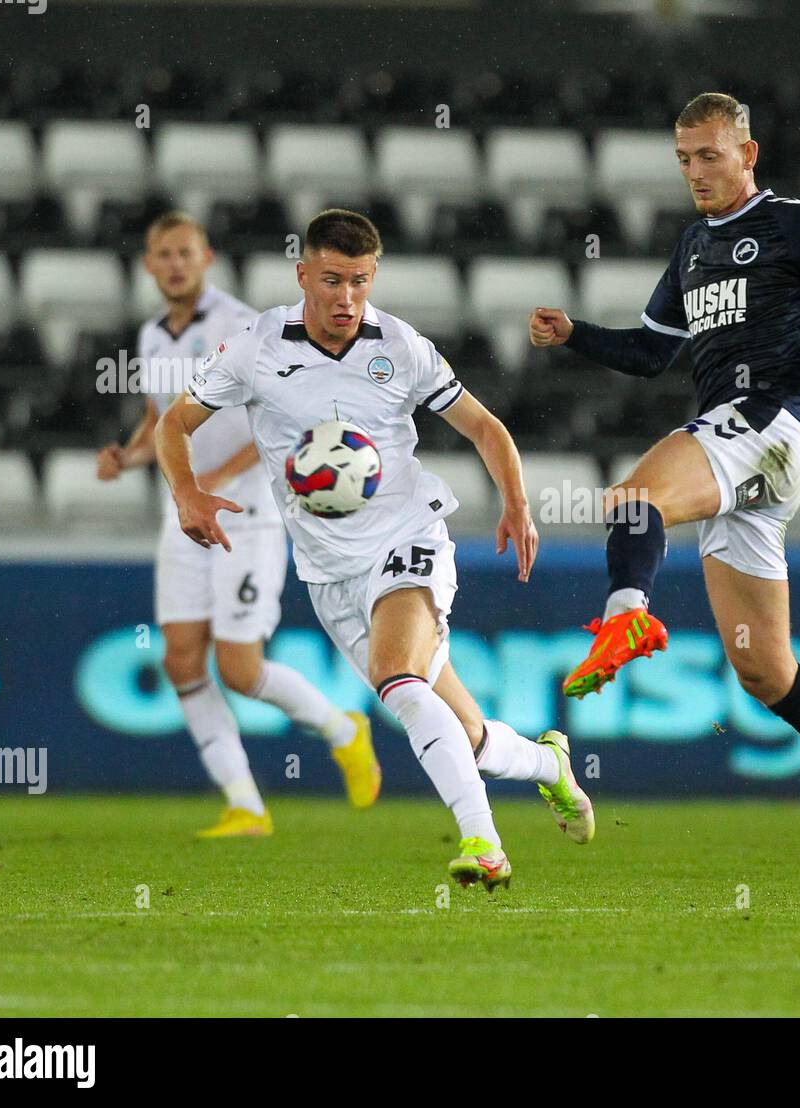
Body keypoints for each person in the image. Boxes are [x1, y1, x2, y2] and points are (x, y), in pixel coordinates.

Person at [528, 94, 800, 899]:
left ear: (747, 154)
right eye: (684, 158)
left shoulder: (799, 223)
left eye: (710, 156)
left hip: (767, 423)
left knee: (632, 500)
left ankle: (625, 617)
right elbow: (652, 354)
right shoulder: (692, 246)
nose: (696, 172)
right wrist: (574, 333)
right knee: (766, 672)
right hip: (742, 455)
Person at [156, 209, 594, 890]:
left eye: (360, 281)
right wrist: (187, 493)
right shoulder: (256, 347)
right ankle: (548, 764)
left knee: (398, 679)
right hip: (330, 573)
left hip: (408, 537)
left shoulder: (403, 346)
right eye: (332, 280)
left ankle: (485, 845)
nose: (346, 298)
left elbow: (484, 426)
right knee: (466, 735)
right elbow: (174, 424)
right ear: (304, 275)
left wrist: (516, 501)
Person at [98, 211, 378, 838]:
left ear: (207, 258)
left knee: (242, 670)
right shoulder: (149, 336)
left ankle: (341, 728)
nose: (175, 264)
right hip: (185, 514)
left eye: (185, 253)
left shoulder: (242, 325)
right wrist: (132, 455)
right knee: (180, 663)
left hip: (246, 517)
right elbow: (162, 417)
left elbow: (279, 418)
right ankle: (245, 804)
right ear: (148, 264)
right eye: (163, 254)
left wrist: (211, 481)